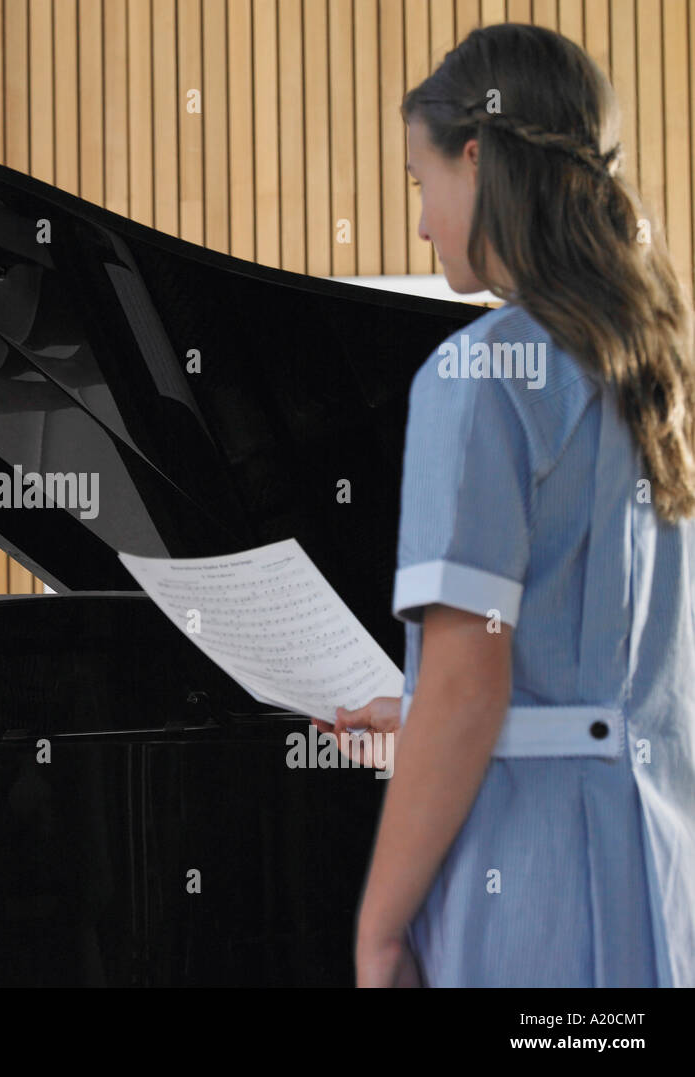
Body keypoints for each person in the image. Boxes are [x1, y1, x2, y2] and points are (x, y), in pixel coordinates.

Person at [333, 23, 695, 988]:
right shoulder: (655, 373)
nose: (420, 224)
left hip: (530, 902)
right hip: (659, 886)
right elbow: (606, 683)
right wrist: (417, 708)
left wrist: (377, 930)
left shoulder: (483, 374)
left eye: (421, 183)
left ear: (480, 154)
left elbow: (467, 688)